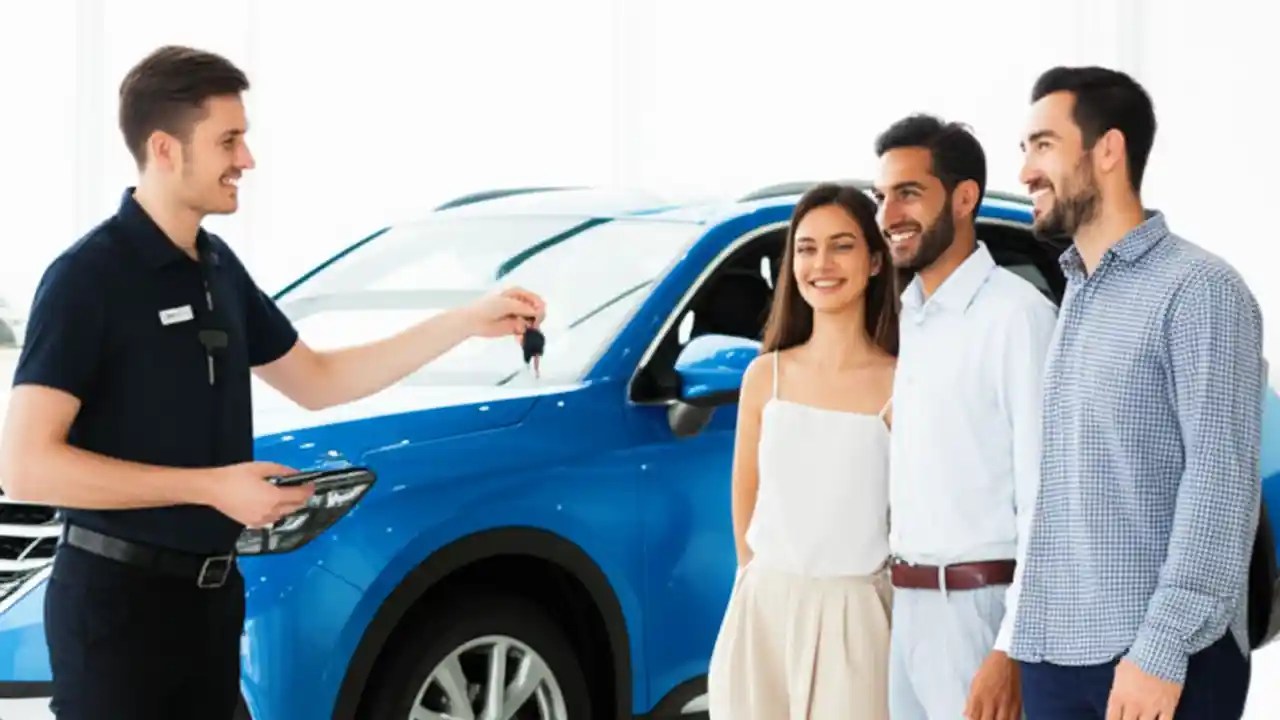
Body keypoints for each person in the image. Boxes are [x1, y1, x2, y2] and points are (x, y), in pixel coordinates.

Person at [0, 45, 545, 720]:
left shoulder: (217, 268)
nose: (247, 160)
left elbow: (318, 379)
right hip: (117, 609)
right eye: (228, 140)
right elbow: (27, 468)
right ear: (165, 149)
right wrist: (211, 487)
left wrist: (464, 322)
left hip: (212, 602)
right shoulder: (87, 278)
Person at [1007, 65, 1262, 720]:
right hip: (1055, 655)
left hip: (1156, 660)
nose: (1026, 171)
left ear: (1108, 151)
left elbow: (1220, 482)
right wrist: (1022, 645)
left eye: (1043, 145)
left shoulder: (1200, 290)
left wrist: (1161, 648)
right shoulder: (1077, 291)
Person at [870, 114, 1058, 720]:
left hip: (979, 612)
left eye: (908, 193)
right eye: (881, 196)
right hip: (910, 608)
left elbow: (1046, 499)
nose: (888, 215)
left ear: (964, 197)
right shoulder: (914, 316)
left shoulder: (1017, 317)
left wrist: (1011, 648)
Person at [706, 183, 899, 719]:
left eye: (842, 246)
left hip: (857, 620)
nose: (822, 264)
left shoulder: (901, 384)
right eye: (807, 248)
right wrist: (756, 588)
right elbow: (745, 504)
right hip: (763, 614)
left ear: (875, 262)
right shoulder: (764, 377)